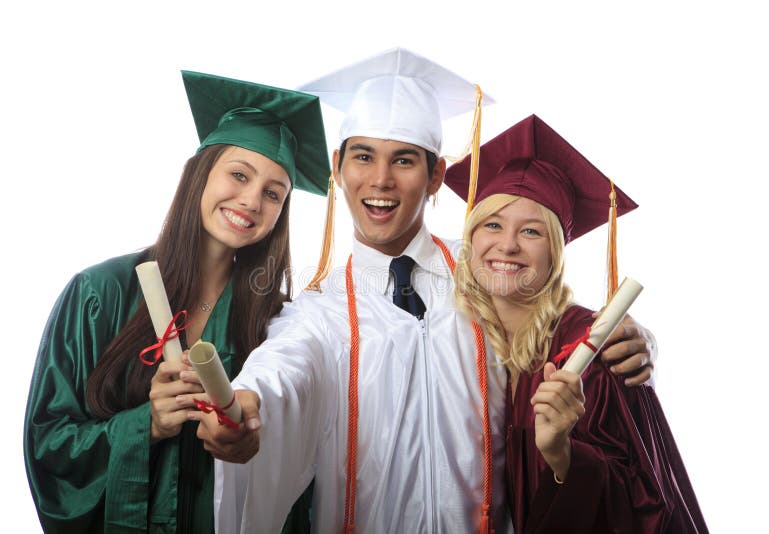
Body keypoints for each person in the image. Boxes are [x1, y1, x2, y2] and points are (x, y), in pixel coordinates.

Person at [201, 48, 656, 533]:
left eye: (403, 160)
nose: (380, 180)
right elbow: (282, 368)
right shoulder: (320, 312)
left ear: (437, 174)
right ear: (338, 167)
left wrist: (633, 337)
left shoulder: (486, 268)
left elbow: (554, 322)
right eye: (363, 157)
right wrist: (249, 402)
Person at [23, 71, 330, 533]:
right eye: (239, 175)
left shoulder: (281, 324)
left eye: (273, 193)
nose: (251, 201)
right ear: (200, 174)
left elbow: (300, 467)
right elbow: (48, 444)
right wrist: (145, 425)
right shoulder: (99, 294)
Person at [447, 114, 707, 532]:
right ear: (470, 238)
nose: (507, 244)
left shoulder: (593, 353)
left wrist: (564, 456)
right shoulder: (454, 331)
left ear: (556, 251)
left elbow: (646, 505)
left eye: (531, 231)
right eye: (492, 224)